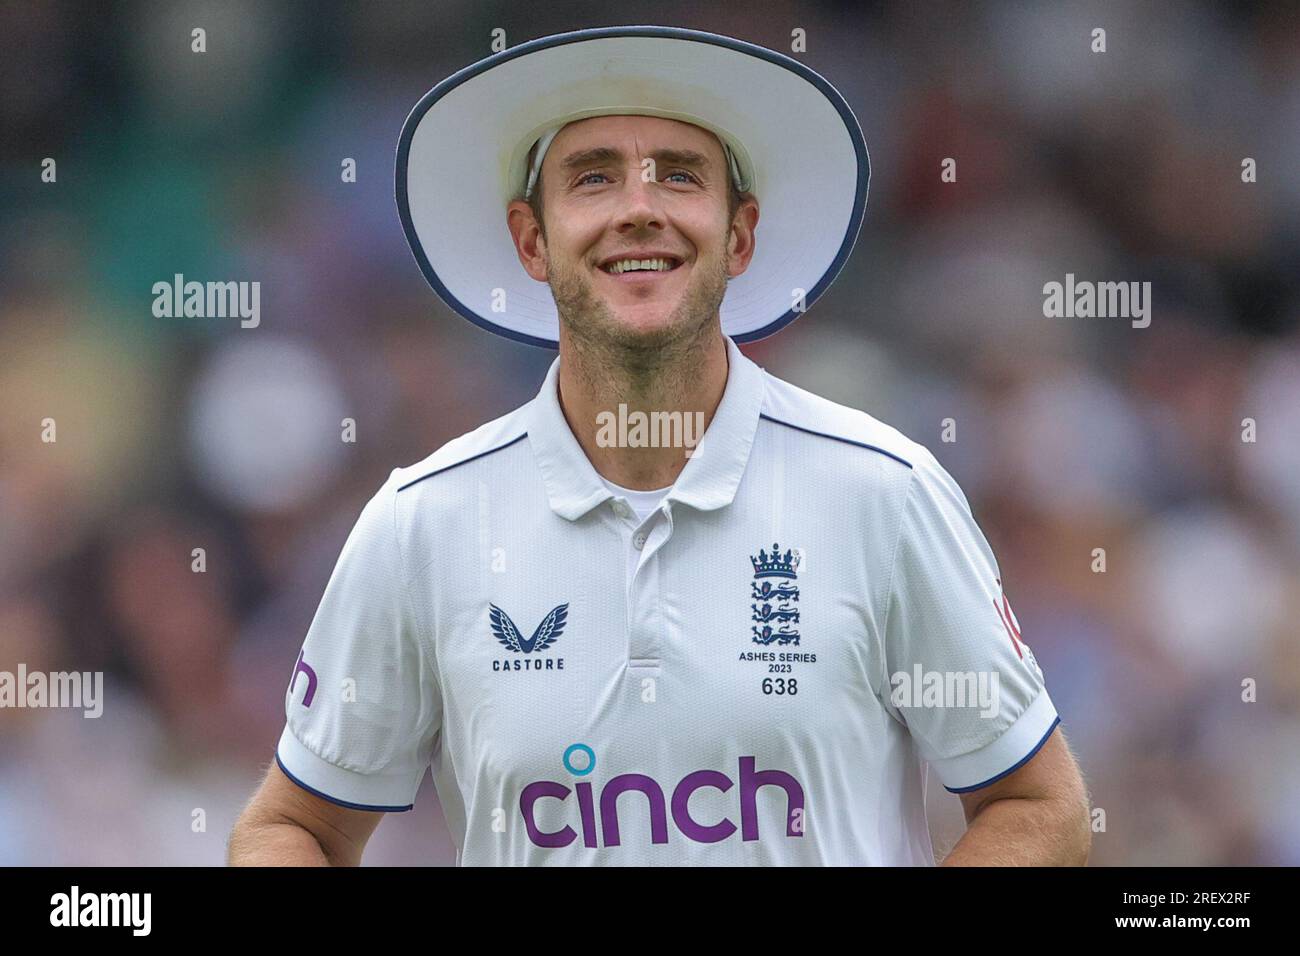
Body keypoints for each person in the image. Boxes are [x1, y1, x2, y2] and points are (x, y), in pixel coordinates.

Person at [229, 26, 1089, 866]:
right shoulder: (422, 524)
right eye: (594, 177)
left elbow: (1041, 806)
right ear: (531, 240)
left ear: (740, 234)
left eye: (678, 176)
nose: (639, 210)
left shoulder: (885, 494)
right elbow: (288, 829)